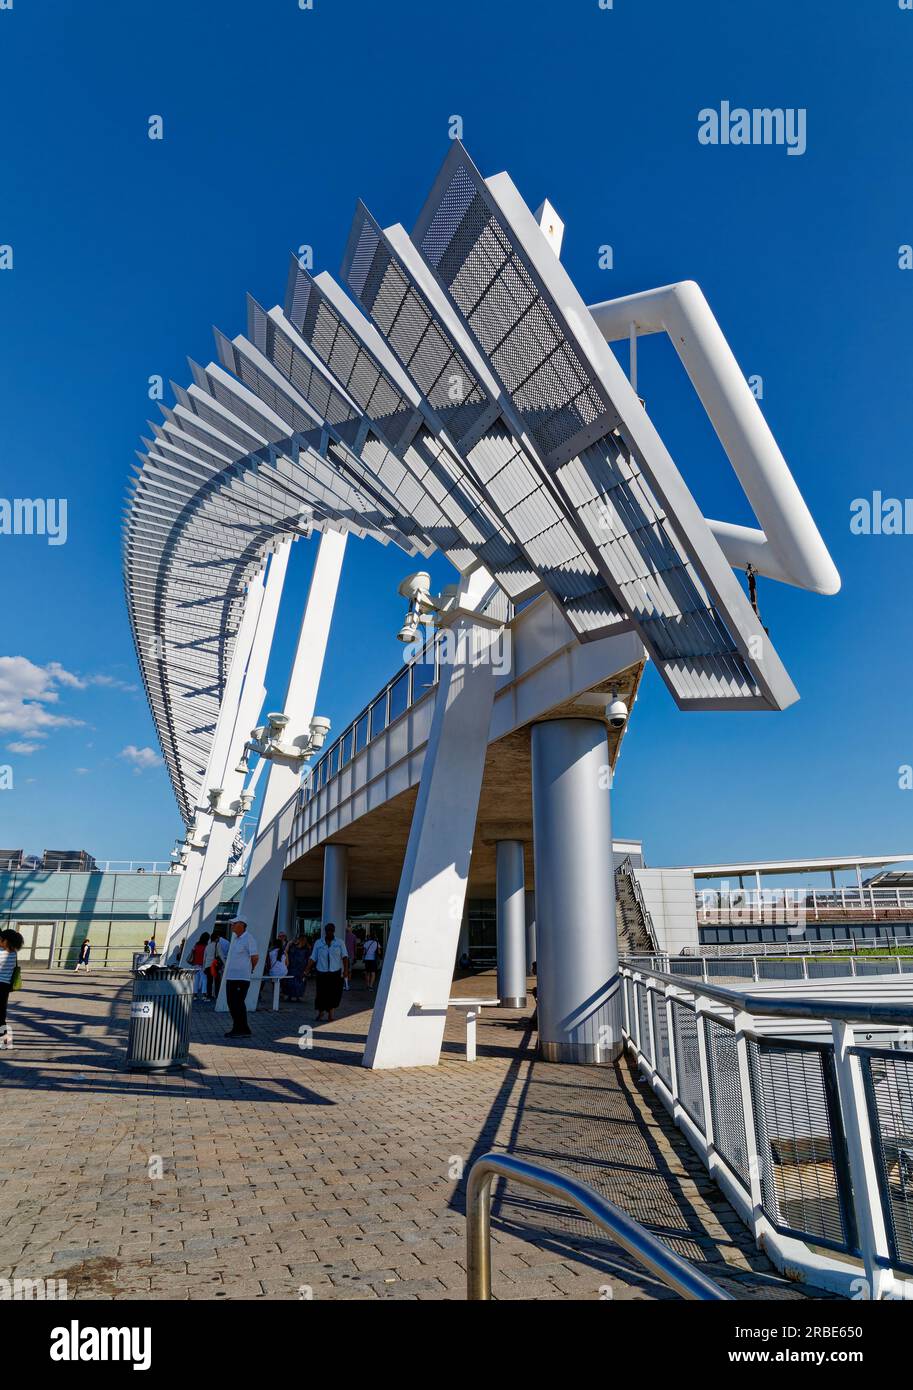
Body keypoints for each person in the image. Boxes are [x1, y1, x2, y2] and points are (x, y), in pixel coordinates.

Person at [305, 923, 348, 1023]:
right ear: (325, 931)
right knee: (321, 994)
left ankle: (331, 1015)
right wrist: (306, 969)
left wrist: (346, 970)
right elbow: (313, 957)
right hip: (321, 972)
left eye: (331, 930)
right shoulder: (318, 943)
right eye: (328, 930)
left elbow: (345, 957)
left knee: (333, 994)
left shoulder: (340, 942)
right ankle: (320, 1013)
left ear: (334, 931)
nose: (329, 932)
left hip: (335, 972)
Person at [223, 918, 258, 1038]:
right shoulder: (236, 939)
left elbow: (255, 957)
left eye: (234, 923)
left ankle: (241, 1029)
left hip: (241, 978)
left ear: (242, 925)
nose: (232, 925)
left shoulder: (249, 938)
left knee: (237, 1003)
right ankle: (240, 1028)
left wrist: (250, 969)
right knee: (231, 1003)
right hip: (231, 977)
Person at [0, 929, 23, 1048]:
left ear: (6, 941)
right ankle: (5, 1043)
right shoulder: (14, 953)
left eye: (0, 939)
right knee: (1, 1015)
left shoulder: (1, 952)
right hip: (5, 987)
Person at [344, 925, 357, 990]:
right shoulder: (354, 936)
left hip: (344, 955)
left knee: (344, 968)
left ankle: (345, 983)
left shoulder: (344, 936)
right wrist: (355, 955)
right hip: (351, 954)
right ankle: (348, 982)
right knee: (350, 969)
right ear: (351, 929)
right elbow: (355, 946)